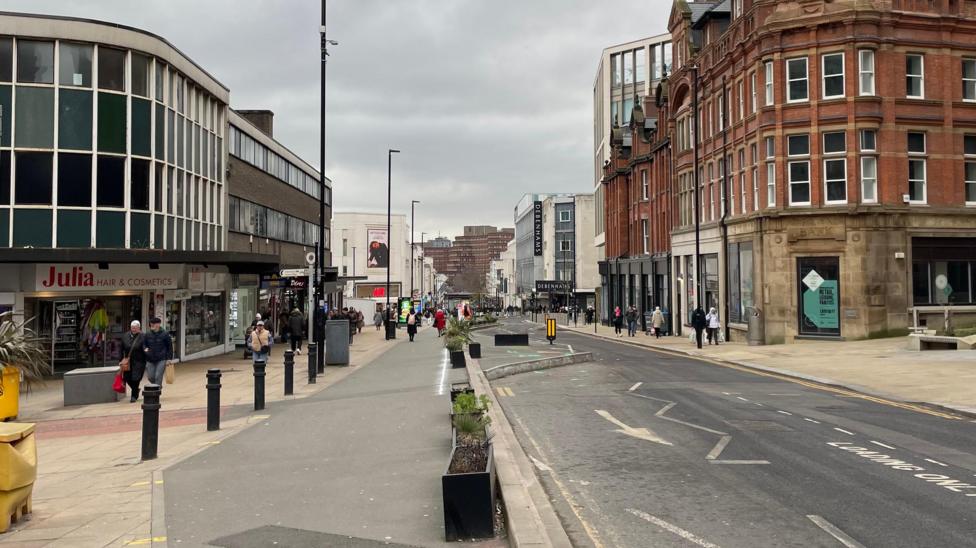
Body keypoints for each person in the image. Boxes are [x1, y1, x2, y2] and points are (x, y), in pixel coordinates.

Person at [143, 317, 173, 389]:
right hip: (150, 359)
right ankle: (158, 386)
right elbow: (144, 344)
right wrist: (146, 350)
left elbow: (170, 347)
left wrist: (169, 359)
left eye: (154, 324)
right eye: (151, 324)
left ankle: (157, 390)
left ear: (159, 324)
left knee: (158, 376)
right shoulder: (147, 334)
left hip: (161, 359)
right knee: (150, 377)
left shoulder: (165, 334)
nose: (152, 325)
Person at [121, 320, 147, 402]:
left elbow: (145, 346)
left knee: (136, 378)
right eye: (132, 328)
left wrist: (147, 352)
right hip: (128, 361)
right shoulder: (125, 336)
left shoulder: (143, 336)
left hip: (140, 361)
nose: (134, 329)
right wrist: (120, 359)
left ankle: (133, 396)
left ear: (139, 328)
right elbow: (121, 348)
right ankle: (136, 390)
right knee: (127, 378)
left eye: (135, 328)